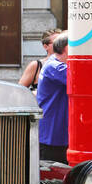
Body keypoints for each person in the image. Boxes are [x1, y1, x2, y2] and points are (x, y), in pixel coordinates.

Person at [36, 33, 69, 163]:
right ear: (66, 48)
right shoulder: (56, 67)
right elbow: (83, 77)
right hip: (53, 134)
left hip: (54, 132)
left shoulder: (52, 63)